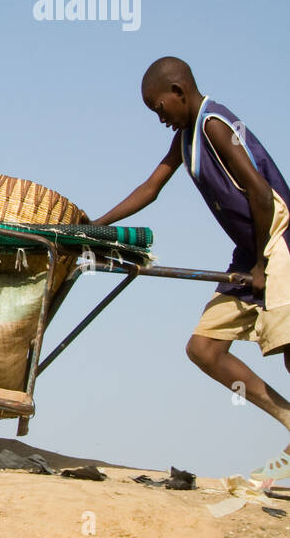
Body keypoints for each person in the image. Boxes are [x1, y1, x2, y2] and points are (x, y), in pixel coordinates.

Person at [92, 56, 290, 487]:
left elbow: (260, 192)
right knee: (204, 348)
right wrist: (95, 226)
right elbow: (152, 187)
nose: (159, 117)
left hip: (278, 245)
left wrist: (260, 264)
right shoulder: (186, 135)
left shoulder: (214, 125)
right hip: (251, 252)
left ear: (179, 91)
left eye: (159, 108)